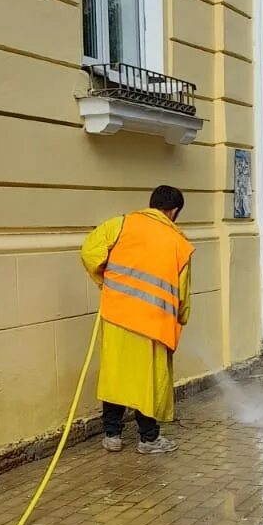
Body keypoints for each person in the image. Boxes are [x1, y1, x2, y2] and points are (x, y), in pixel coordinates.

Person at [81, 185, 193, 455]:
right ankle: (149, 439)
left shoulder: (119, 224)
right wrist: (181, 317)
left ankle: (112, 435)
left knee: (115, 375)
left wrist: (105, 283)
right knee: (148, 382)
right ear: (173, 211)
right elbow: (183, 293)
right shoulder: (179, 242)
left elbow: (89, 253)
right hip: (153, 323)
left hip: (117, 315)